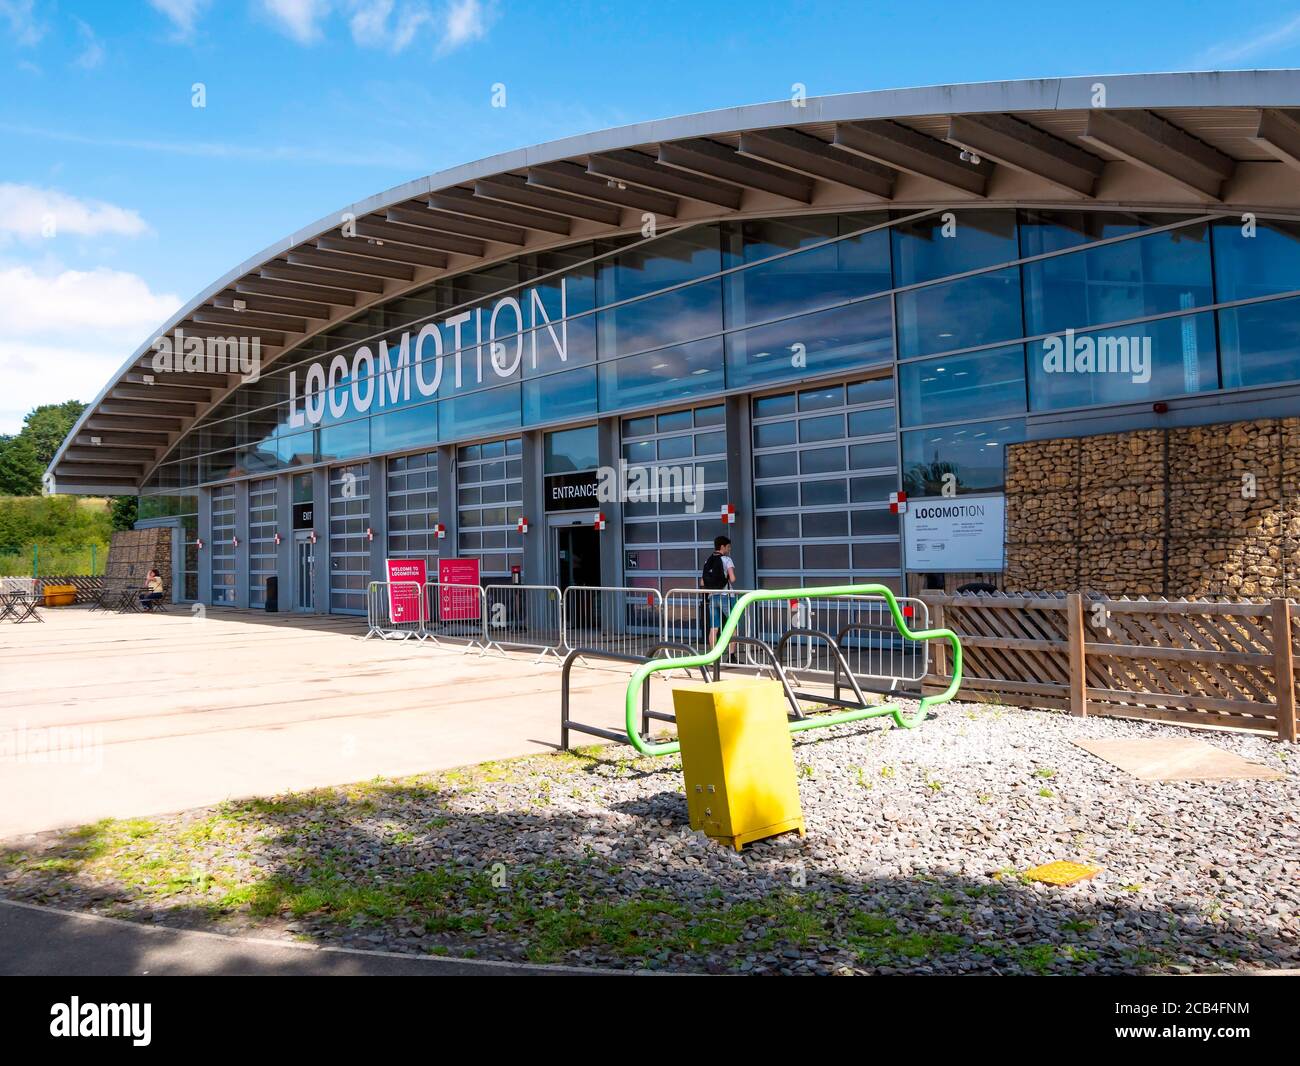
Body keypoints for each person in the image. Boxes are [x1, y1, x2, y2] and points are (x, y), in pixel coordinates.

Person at [700, 534, 736, 647]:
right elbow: (733, 578)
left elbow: (702, 582)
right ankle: (732, 656)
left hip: (712, 597)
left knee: (714, 628)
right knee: (732, 625)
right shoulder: (727, 559)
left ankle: (713, 658)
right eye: (728, 547)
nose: (729, 549)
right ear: (722, 547)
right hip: (726, 595)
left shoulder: (708, 560)